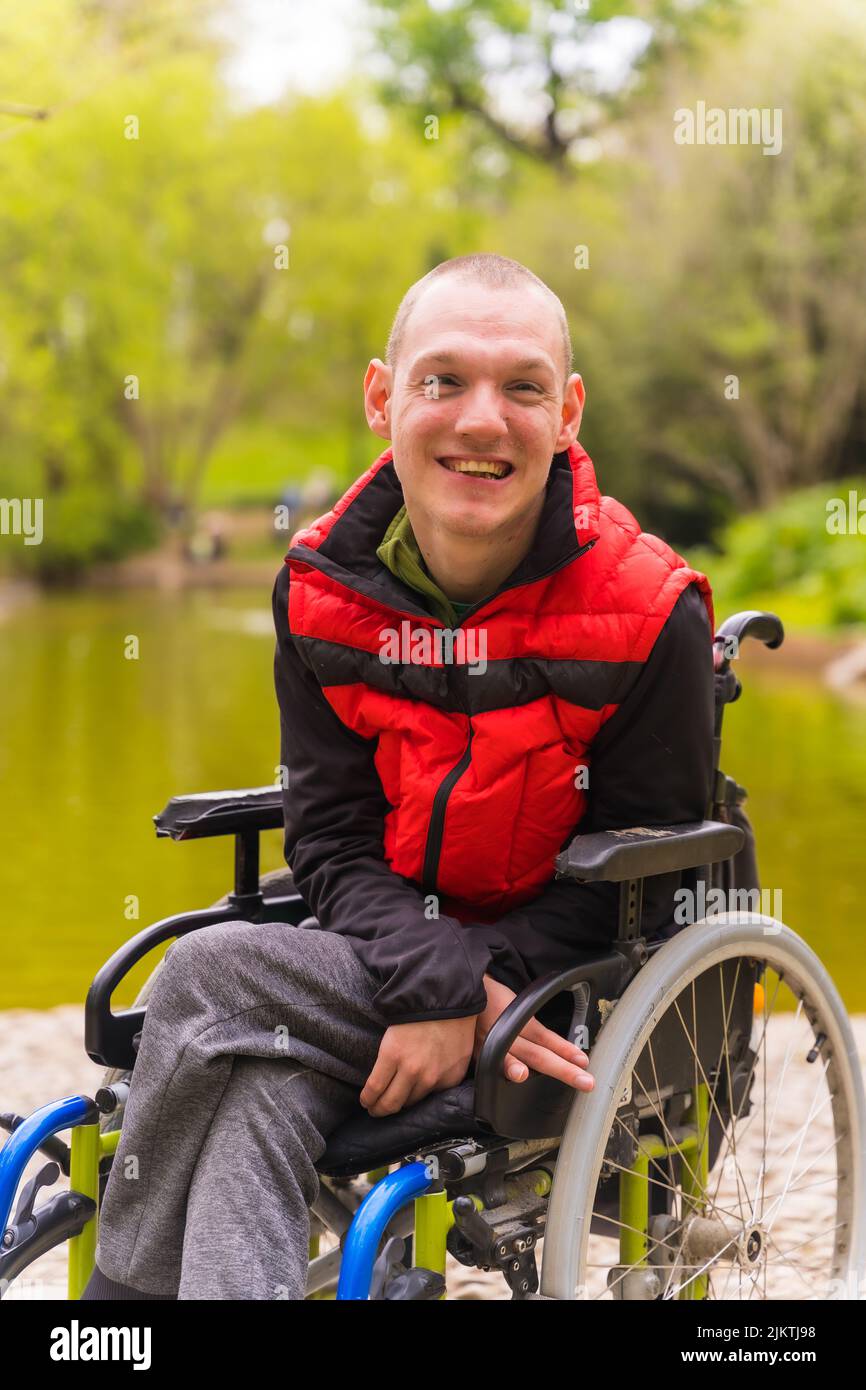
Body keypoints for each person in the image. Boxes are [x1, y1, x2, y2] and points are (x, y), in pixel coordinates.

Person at [82, 253, 714, 1301]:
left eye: (519, 386)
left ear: (566, 413)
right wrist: (432, 980)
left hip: (562, 997)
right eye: (441, 380)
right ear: (383, 398)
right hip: (381, 966)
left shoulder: (647, 613)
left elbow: (643, 885)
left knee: (204, 977)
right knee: (252, 1097)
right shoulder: (320, 591)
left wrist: (464, 991)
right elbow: (329, 836)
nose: (480, 419)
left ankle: (115, 1318)